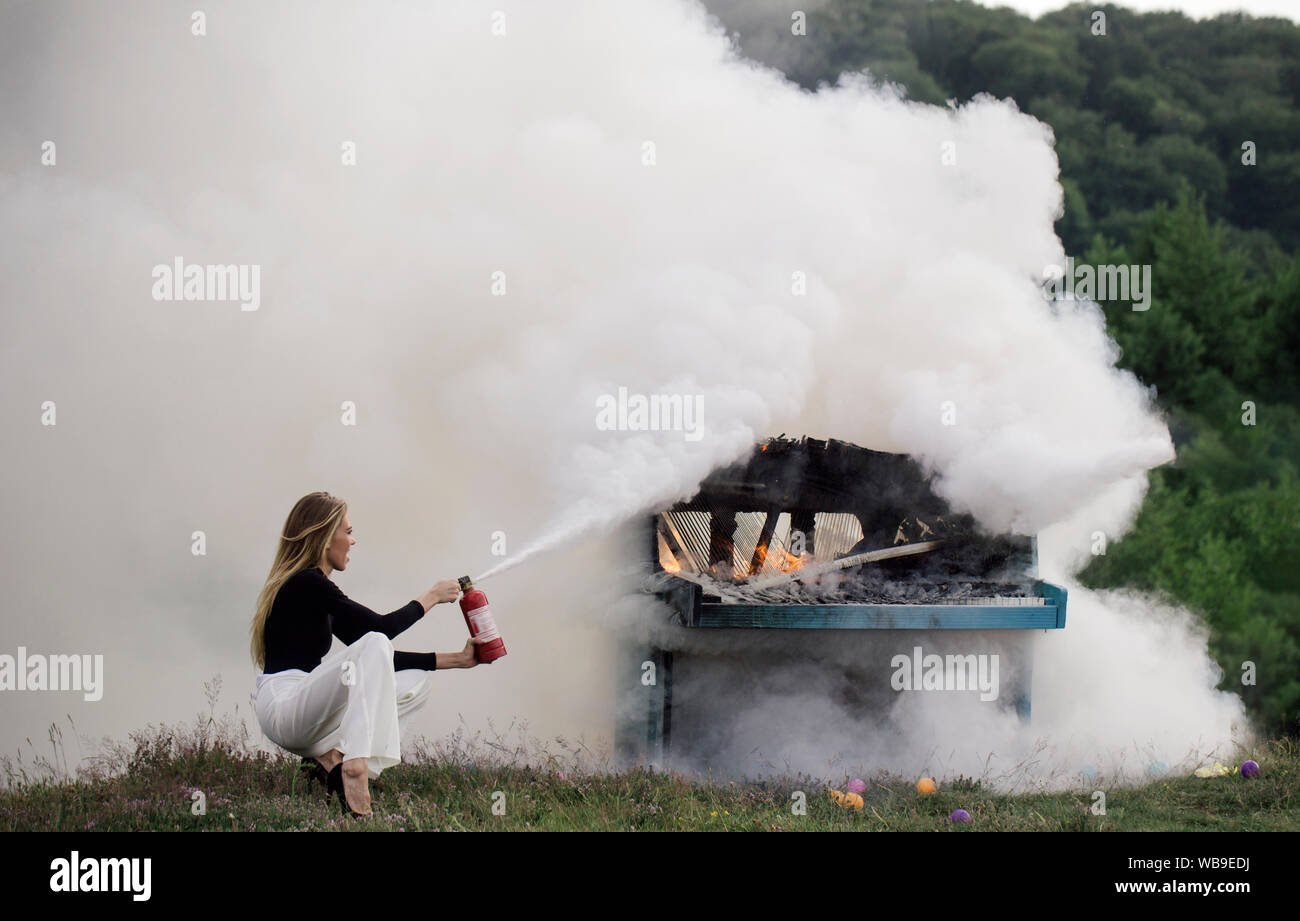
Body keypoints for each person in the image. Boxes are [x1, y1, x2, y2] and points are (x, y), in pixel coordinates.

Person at [248, 491, 483, 818]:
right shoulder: (306, 582)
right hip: (285, 705)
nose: (353, 541)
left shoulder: (316, 590)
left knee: (416, 682)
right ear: (324, 538)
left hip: (309, 714)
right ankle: (356, 768)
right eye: (347, 532)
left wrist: (457, 660)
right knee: (374, 642)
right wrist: (430, 597)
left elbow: (378, 659)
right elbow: (380, 630)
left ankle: (334, 763)